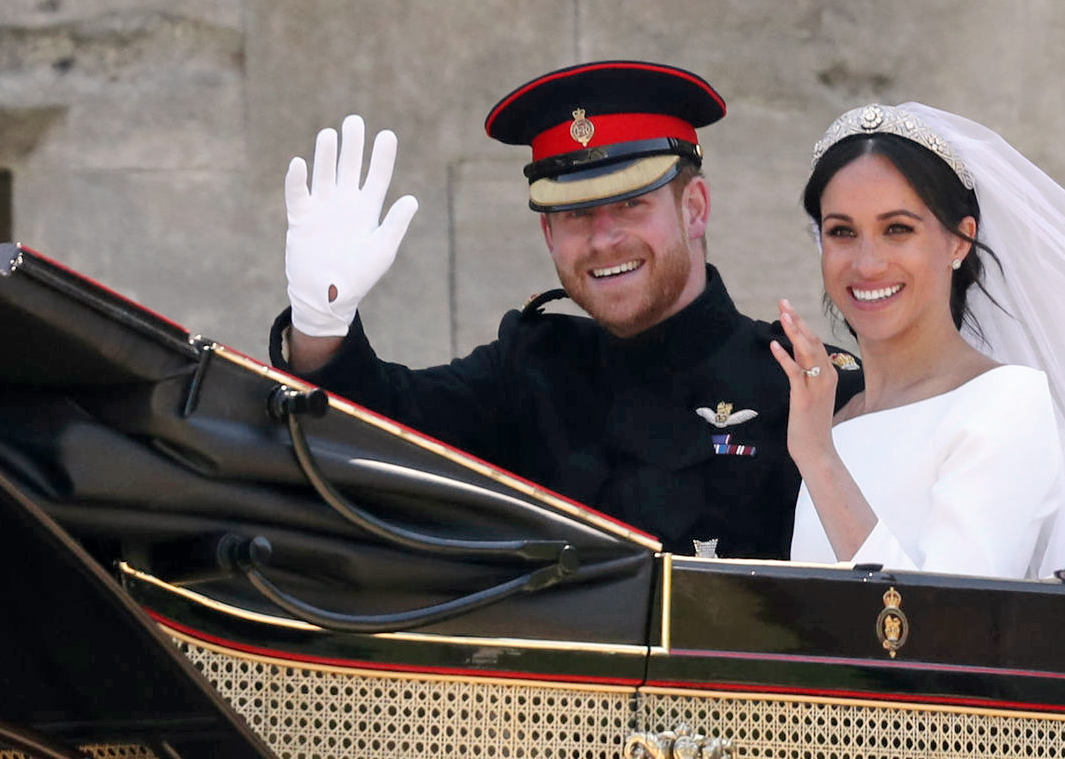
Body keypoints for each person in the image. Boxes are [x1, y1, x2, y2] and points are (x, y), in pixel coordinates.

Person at [269, 60, 836, 559]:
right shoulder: (529, 367)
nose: (602, 239)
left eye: (631, 204)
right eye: (575, 215)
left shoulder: (797, 385)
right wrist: (322, 321)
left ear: (694, 208)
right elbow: (370, 435)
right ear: (547, 231)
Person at [771, 104, 1065, 575]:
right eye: (842, 232)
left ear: (960, 241)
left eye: (897, 229)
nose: (867, 263)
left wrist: (821, 462)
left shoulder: (1002, 403)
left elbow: (942, 625)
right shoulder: (835, 420)